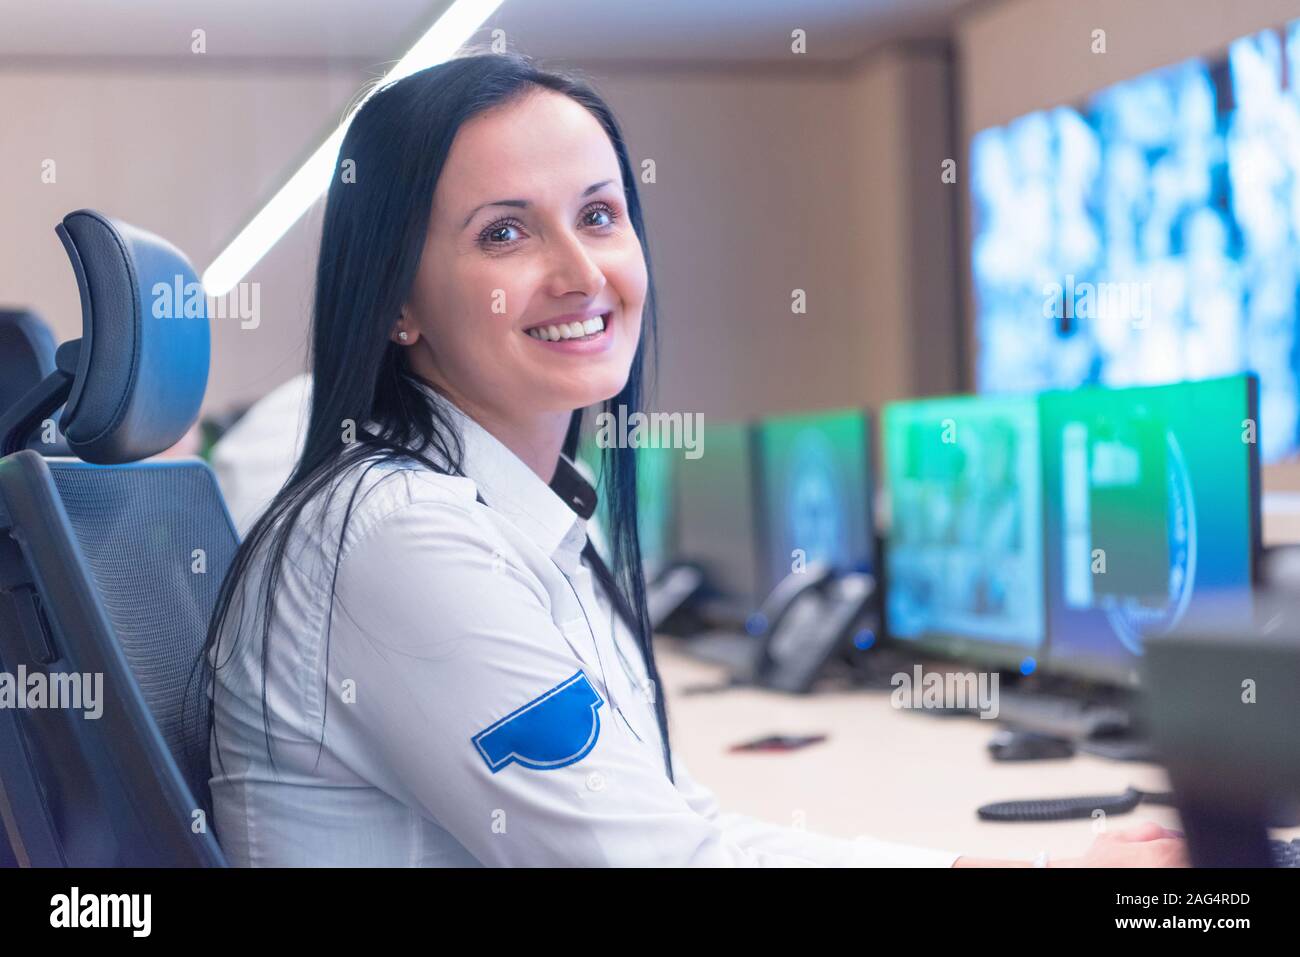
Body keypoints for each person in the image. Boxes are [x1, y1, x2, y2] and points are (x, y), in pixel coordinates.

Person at [201, 51, 1186, 867]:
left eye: (598, 215)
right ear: (397, 303)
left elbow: (669, 830)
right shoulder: (390, 535)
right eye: (504, 232)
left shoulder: (515, 514)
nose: (581, 273)